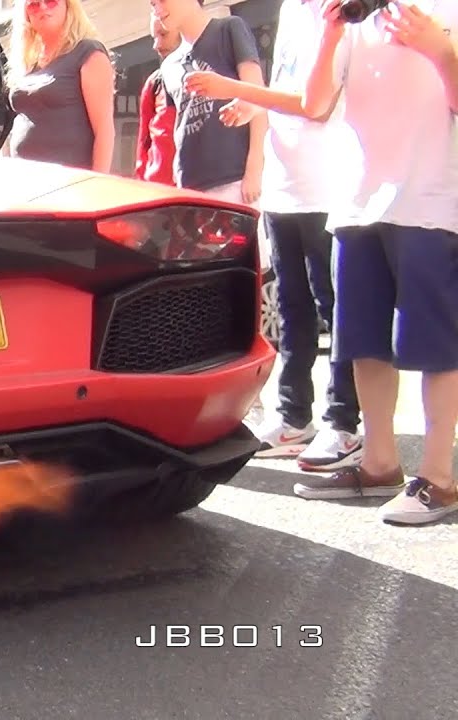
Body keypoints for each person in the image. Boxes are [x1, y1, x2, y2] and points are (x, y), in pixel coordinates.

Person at [289, 0, 458, 525]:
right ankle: (379, 461)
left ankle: (440, 478)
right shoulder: (352, 18)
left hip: (431, 199)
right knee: (361, 339)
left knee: (433, 343)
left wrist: (441, 50)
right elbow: (315, 104)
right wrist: (328, 35)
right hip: (359, 200)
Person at [182, 0, 364, 472]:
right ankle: (293, 417)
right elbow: (288, 88)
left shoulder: (341, 13)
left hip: (326, 187)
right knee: (290, 308)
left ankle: (343, 423)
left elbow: (318, 105)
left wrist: (234, 89)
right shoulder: (291, 12)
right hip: (286, 189)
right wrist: (249, 104)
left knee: (334, 308)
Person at [153, 0, 267, 204]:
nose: (158, 9)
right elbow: (175, 125)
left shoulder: (228, 29)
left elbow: (258, 97)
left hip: (234, 179)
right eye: (153, 4)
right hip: (188, 185)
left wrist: (254, 168)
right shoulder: (168, 65)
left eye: (162, 0)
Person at [4, 0, 115, 172]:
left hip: (69, 183)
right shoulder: (29, 64)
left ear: (68, 5)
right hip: (23, 181)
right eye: (33, 5)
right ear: (26, 15)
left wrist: (98, 186)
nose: (42, 8)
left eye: (50, 1)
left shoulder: (88, 53)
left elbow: (104, 131)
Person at [134, 12, 182, 185]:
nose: (156, 45)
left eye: (163, 34)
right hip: (159, 189)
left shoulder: (208, 74)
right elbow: (143, 143)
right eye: (154, 37)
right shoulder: (155, 82)